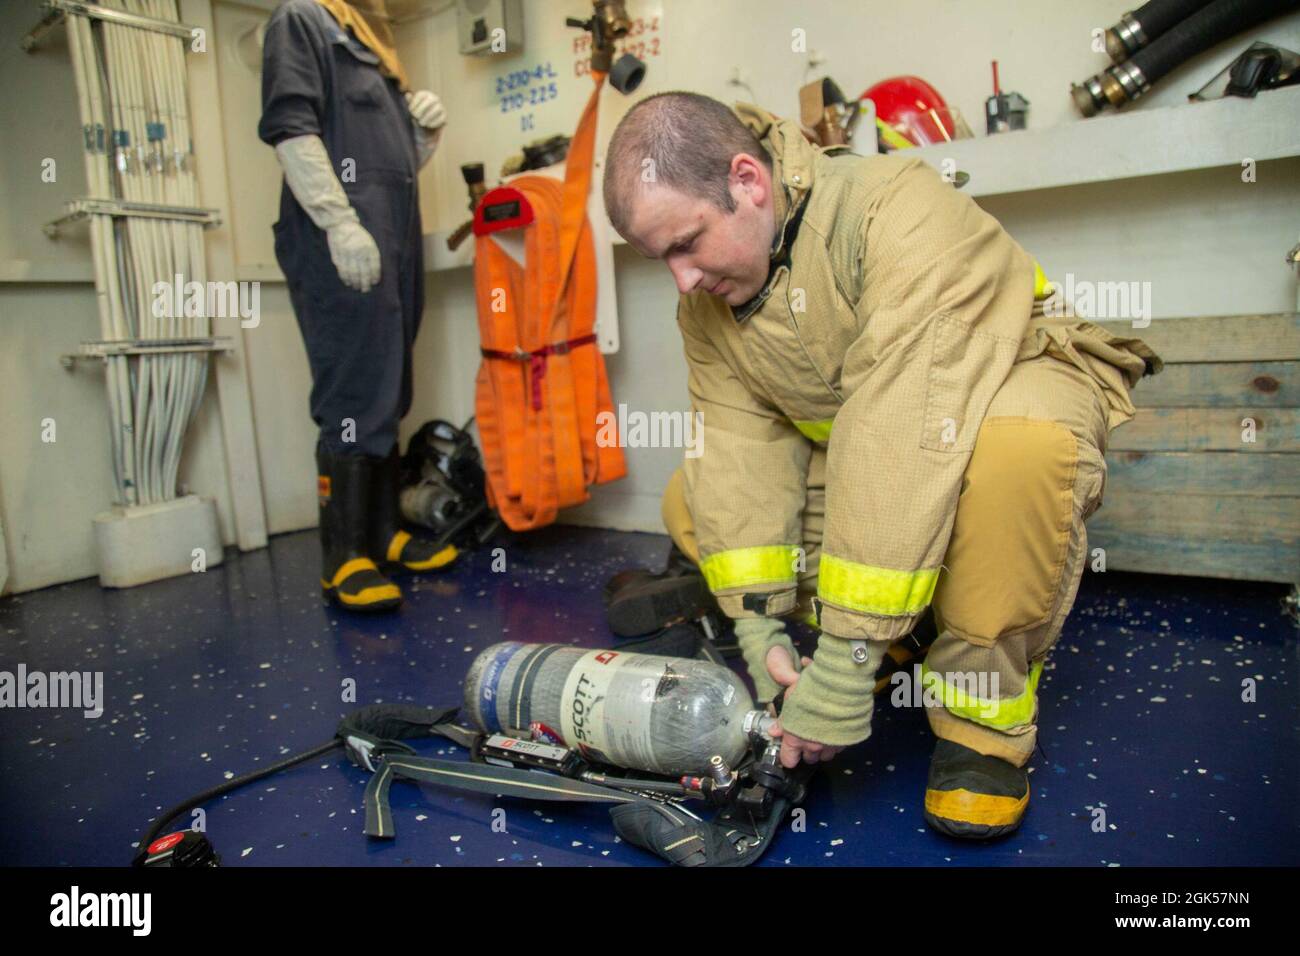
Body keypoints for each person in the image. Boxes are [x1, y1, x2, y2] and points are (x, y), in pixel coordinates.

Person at [601, 92, 1161, 839]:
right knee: (689, 497)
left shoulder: (896, 210)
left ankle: (980, 725)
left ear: (747, 181)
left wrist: (843, 661)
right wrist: (759, 627)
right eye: (659, 258)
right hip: (886, 443)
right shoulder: (709, 303)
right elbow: (738, 451)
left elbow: (906, 426)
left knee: (1024, 453)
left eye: (687, 243)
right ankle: (912, 627)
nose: (682, 279)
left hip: (996, 398)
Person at [259, 0, 456, 613]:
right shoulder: (302, 19)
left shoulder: (372, 39)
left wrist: (422, 135)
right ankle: (342, 556)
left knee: (388, 386)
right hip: (340, 237)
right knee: (352, 389)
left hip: (392, 234)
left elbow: (386, 160)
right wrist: (338, 222)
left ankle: (380, 534)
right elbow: (292, 129)